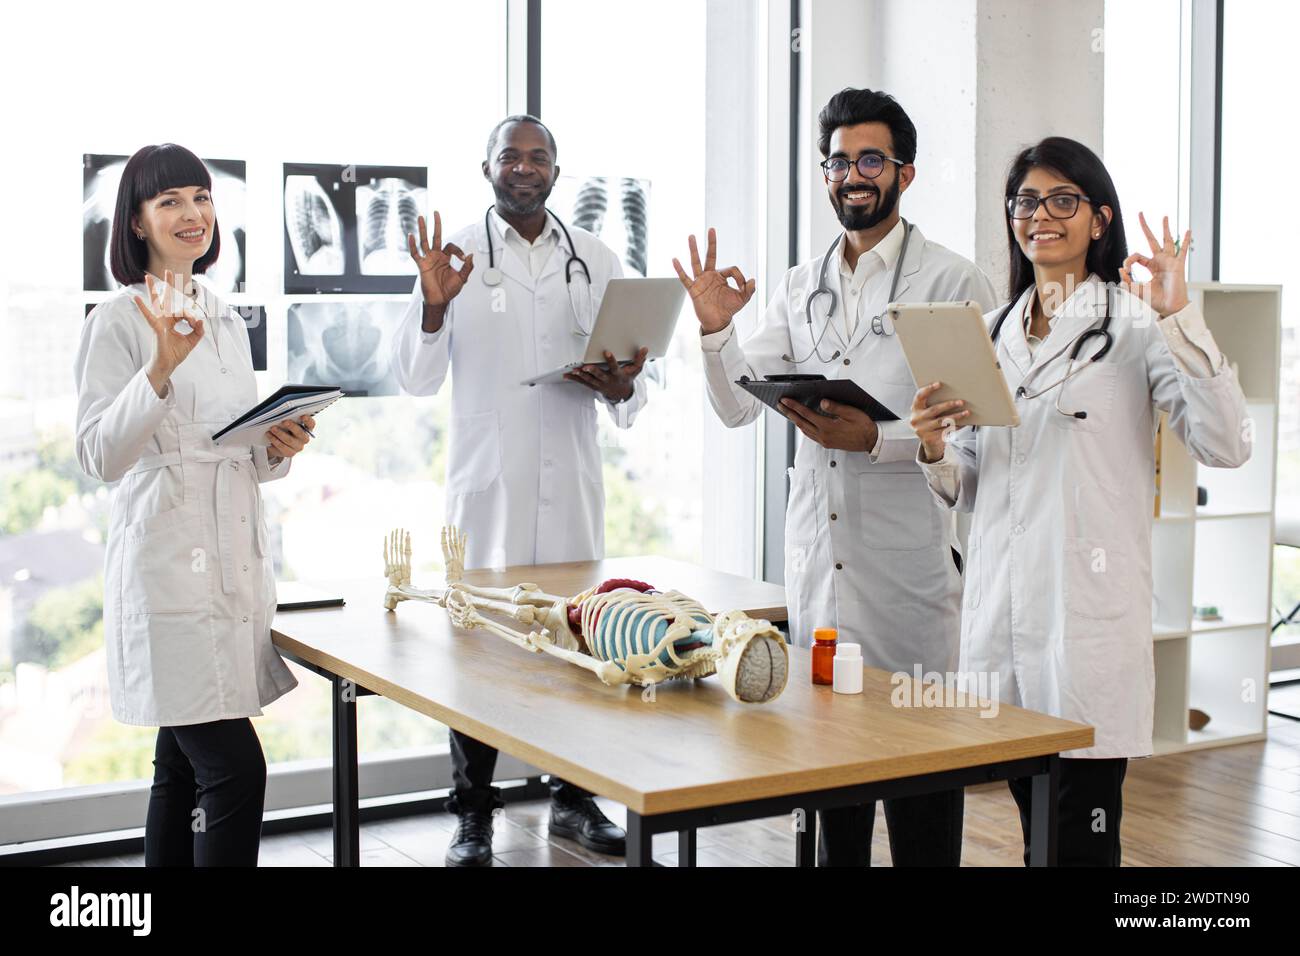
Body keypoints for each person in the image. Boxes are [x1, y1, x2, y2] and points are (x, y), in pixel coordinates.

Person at [674, 88, 997, 866]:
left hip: (911, 581)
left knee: (922, 801)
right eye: (839, 161)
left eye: (871, 160)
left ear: (905, 173)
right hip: (820, 576)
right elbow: (737, 410)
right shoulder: (798, 284)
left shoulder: (954, 283)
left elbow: (979, 433)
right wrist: (718, 330)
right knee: (829, 810)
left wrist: (876, 438)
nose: (853, 175)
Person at [909, 136, 1251, 865]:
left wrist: (1180, 317)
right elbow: (970, 479)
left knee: (1080, 834)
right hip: (1003, 613)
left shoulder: (1135, 326)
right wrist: (936, 446)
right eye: (1027, 201)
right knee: (1036, 824)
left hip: (1085, 624)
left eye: (1063, 200)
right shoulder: (992, 331)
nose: (1041, 216)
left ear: (1099, 219)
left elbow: (1227, 446)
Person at [390, 115, 645, 865]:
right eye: (512, 156)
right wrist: (433, 305)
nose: (525, 168)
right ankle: (472, 815)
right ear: (488, 168)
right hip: (487, 489)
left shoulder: (595, 258)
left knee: (572, 646)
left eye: (539, 158)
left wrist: (621, 384)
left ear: (557, 174)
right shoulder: (454, 256)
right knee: (478, 658)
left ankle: (572, 800)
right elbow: (414, 375)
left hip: (570, 486)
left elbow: (633, 399)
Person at [74, 143, 315, 866]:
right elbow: (98, 456)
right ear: (139, 222)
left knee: (177, 775)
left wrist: (280, 443)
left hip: (231, 569)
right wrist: (159, 367)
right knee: (236, 770)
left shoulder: (227, 317)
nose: (192, 214)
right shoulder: (117, 320)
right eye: (170, 201)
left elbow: (236, 449)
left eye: (202, 197)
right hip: (168, 574)